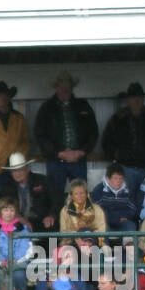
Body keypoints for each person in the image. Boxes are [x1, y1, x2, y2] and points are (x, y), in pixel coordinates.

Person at [33, 71, 99, 200]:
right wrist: (58, 153)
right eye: (61, 85)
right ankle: (58, 220)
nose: (65, 88)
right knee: (55, 196)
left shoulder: (83, 105)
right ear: (56, 87)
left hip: (78, 160)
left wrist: (82, 152)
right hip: (56, 161)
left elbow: (93, 132)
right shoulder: (47, 108)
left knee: (81, 196)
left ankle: (82, 220)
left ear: (72, 87)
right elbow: (40, 135)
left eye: (67, 85)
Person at [101, 82, 145, 193]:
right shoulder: (117, 119)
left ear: (143, 99)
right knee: (127, 200)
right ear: (128, 99)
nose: (137, 101)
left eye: (139, 97)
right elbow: (107, 142)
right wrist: (116, 156)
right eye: (134, 97)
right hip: (125, 168)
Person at [0, 152, 57, 232]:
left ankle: (52, 245)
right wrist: (19, 218)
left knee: (52, 227)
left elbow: (56, 200)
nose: (17, 173)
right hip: (16, 221)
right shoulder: (6, 187)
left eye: (20, 170)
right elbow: (3, 206)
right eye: (14, 171)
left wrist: (51, 215)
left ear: (27, 169)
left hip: (41, 221)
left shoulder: (42, 180)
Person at [0, 197, 34, 290]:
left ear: (16, 212)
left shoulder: (23, 228)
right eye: (5, 210)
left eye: (12, 210)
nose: (9, 213)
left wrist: (15, 260)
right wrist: (2, 261)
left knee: (18, 275)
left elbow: (26, 247)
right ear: (0, 212)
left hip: (18, 262)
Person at [91, 162, 140, 233]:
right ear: (108, 179)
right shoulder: (98, 190)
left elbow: (133, 208)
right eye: (115, 178)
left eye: (121, 178)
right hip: (105, 222)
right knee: (102, 227)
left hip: (123, 222)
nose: (118, 181)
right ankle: (105, 244)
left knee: (130, 226)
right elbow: (97, 211)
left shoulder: (128, 190)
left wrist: (125, 217)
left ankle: (129, 244)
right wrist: (115, 219)